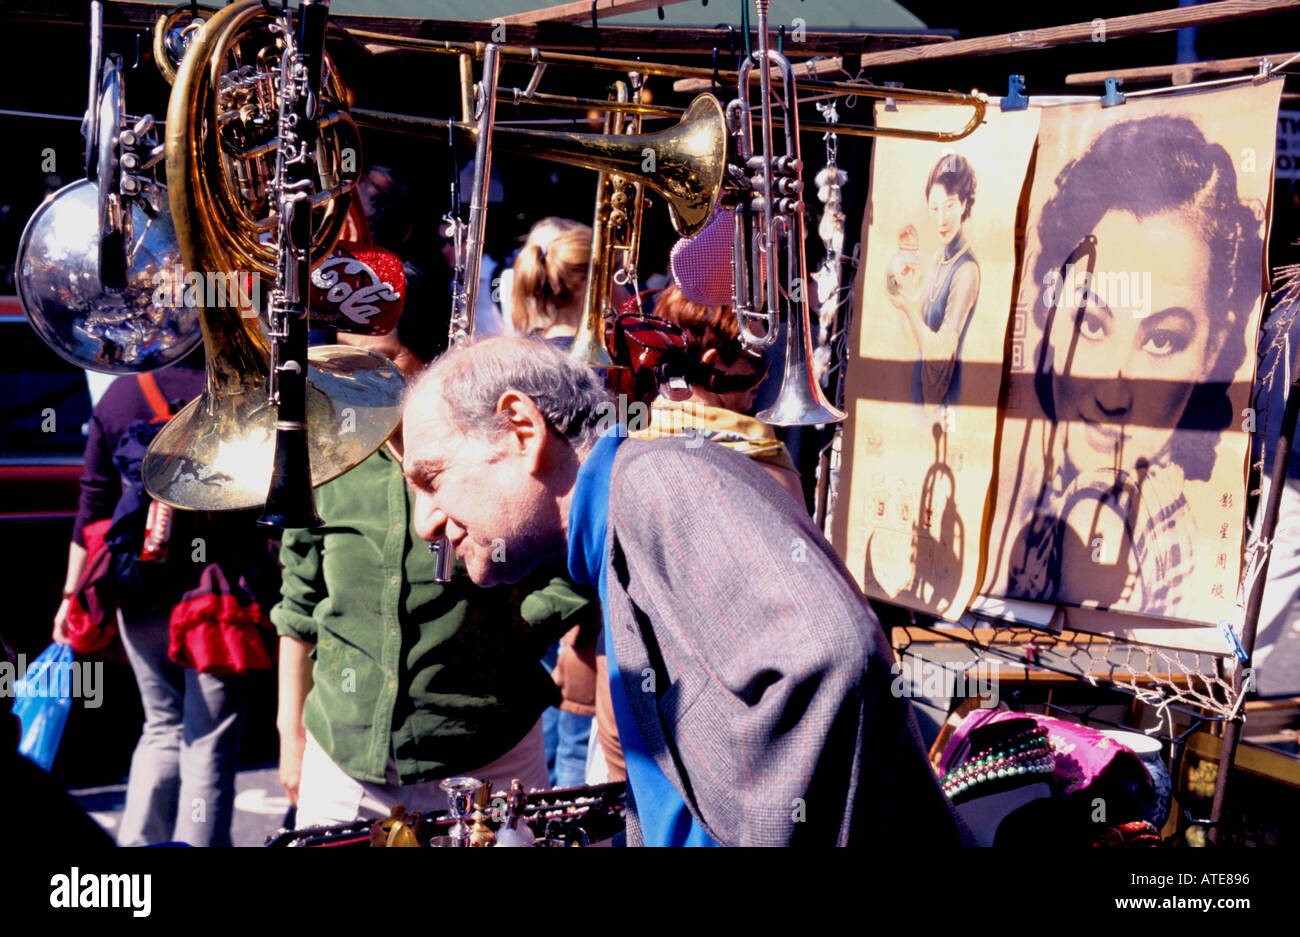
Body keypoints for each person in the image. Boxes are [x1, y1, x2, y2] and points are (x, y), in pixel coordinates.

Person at [400, 336, 968, 846]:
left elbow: (833, 654)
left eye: (432, 479)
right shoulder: (629, 506)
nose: (425, 520)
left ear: (522, 430)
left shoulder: (657, 481)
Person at [273, 321, 596, 826]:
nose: (363, 380)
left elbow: (566, 541)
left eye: (381, 359)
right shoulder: (333, 454)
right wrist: (289, 732)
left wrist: (520, 626)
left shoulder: (483, 453)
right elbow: (299, 600)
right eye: (348, 363)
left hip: (488, 747)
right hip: (344, 754)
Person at [1006, 115, 1262, 618]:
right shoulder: (1041, 479)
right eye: (1093, 324)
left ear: (1211, 352)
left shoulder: (1122, 515)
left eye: (1163, 340)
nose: (1114, 392)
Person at [53, 349, 277, 847]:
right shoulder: (243, 391)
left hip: (139, 586)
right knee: (209, 742)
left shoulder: (120, 395)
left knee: (160, 728)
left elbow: (92, 503)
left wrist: (71, 596)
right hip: (215, 598)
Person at [890, 153, 981, 409]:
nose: (941, 219)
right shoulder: (938, 257)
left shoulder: (967, 270)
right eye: (934, 208)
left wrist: (908, 307)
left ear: (964, 204)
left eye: (950, 206)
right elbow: (917, 324)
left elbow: (940, 353)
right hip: (918, 394)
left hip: (946, 406)